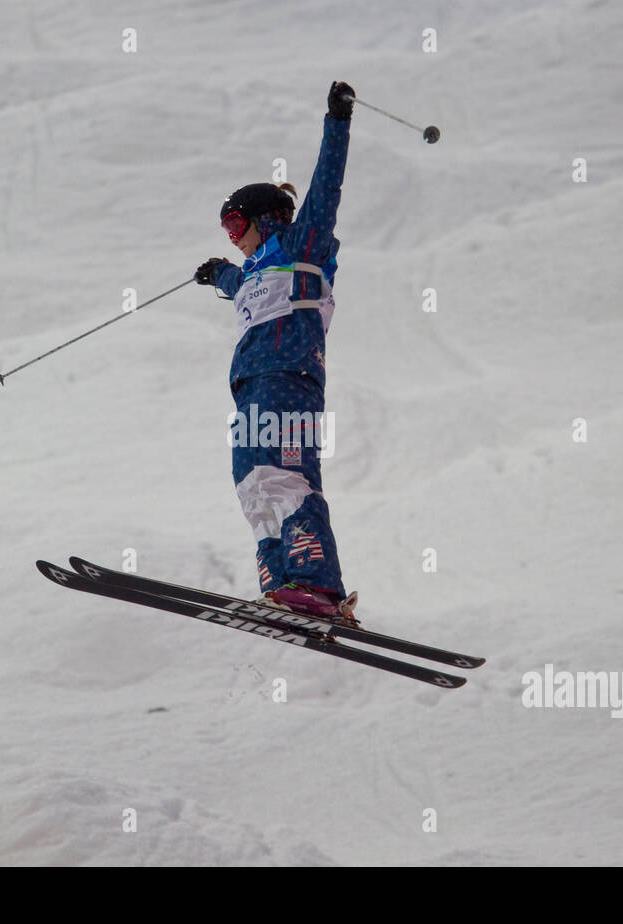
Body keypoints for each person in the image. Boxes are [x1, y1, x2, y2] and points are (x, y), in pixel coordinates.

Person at [194, 81, 358, 623]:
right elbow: (237, 281)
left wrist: (337, 122)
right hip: (250, 388)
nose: (231, 235)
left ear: (264, 218)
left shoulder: (301, 244)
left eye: (235, 224)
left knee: (287, 477)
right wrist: (216, 273)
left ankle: (319, 587)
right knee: (253, 486)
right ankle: (283, 583)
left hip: (291, 376)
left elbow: (326, 187)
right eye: (225, 228)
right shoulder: (253, 272)